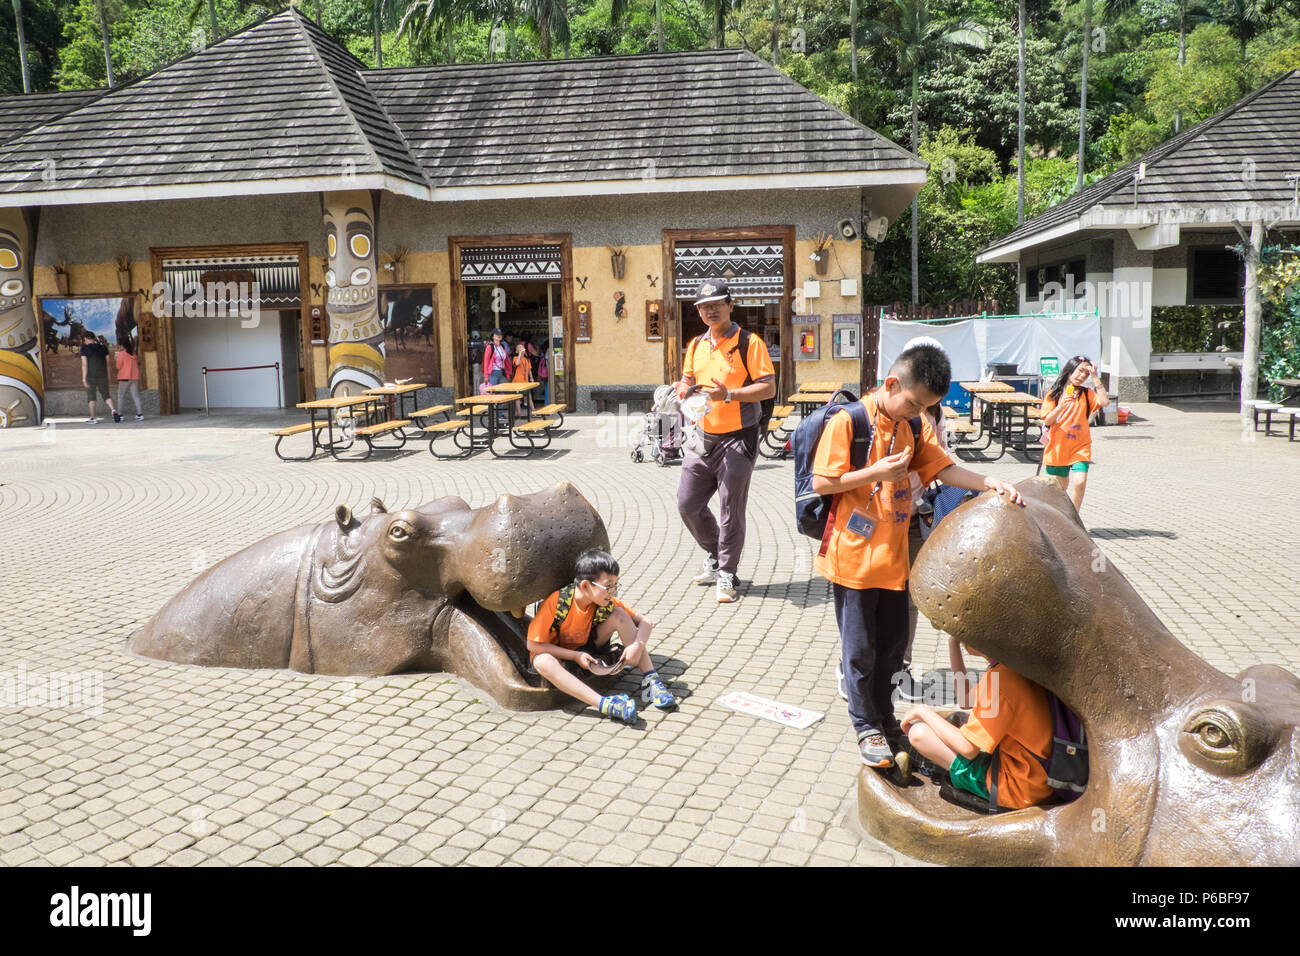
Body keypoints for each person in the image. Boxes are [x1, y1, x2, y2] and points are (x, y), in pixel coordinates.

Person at [811, 342, 1025, 768]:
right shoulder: (848, 420)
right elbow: (822, 482)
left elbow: (942, 468)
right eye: (912, 403)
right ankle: (864, 725)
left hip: (895, 561)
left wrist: (989, 481)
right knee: (860, 651)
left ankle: (886, 719)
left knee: (892, 647)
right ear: (891, 383)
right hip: (853, 560)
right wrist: (876, 473)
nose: (916, 412)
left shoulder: (913, 425)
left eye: (924, 407)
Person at [672, 280, 776, 603]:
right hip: (704, 436)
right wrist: (682, 386)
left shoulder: (749, 343)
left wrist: (729, 394)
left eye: (717, 303)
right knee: (687, 503)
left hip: (739, 437)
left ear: (731, 305)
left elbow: (768, 387)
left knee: (731, 508)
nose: (710, 310)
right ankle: (716, 554)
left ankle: (727, 574)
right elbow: (688, 377)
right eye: (704, 306)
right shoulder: (695, 345)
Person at [526, 549, 677, 724]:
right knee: (541, 661)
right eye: (608, 586)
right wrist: (575, 656)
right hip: (560, 654)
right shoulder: (557, 602)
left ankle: (651, 680)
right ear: (585, 586)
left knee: (620, 615)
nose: (613, 591)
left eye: (615, 585)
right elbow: (533, 646)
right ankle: (606, 704)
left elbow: (645, 622)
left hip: (588, 647)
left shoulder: (604, 601)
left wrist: (637, 645)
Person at [900, 645, 1056, 810]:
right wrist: (953, 645)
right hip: (1039, 777)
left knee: (919, 733)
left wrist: (923, 711)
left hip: (1016, 789)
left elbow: (968, 749)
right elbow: (965, 699)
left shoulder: (1000, 681)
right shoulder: (1013, 668)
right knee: (951, 720)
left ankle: (930, 765)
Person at [1040, 356, 1109, 512]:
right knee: (1058, 490)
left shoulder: (1087, 394)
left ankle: (1074, 516)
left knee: (1080, 481)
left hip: (1080, 446)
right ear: (1070, 370)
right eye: (1080, 371)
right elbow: (1048, 421)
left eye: (1086, 373)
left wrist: (1095, 377)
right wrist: (1061, 406)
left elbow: (1104, 402)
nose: (1082, 376)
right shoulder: (1054, 393)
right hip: (1058, 446)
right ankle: (1058, 517)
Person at [80, 330, 118, 424]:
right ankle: (113, 409)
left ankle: (93, 418)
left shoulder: (84, 349)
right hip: (103, 375)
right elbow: (108, 363)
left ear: (86, 339)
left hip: (90, 376)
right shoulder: (103, 348)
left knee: (91, 397)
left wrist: (84, 378)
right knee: (106, 395)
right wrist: (108, 375)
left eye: (84, 340)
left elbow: (84, 364)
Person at [115, 340, 145, 422]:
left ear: (122, 345)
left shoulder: (121, 354)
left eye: (119, 345)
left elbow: (118, 367)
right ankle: (140, 414)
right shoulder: (133, 353)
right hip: (134, 377)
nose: (119, 347)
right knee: (135, 396)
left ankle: (120, 415)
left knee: (121, 396)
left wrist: (116, 358)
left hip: (124, 377)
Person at [511, 341, 535, 414]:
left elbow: (529, 370)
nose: (521, 348)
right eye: (519, 348)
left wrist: (531, 378)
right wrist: (519, 355)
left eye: (522, 347)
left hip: (525, 382)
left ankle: (534, 411)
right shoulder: (515, 358)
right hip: (517, 382)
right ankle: (519, 413)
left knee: (529, 397)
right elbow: (517, 363)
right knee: (518, 398)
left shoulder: (527, 360)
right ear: (516, 351)